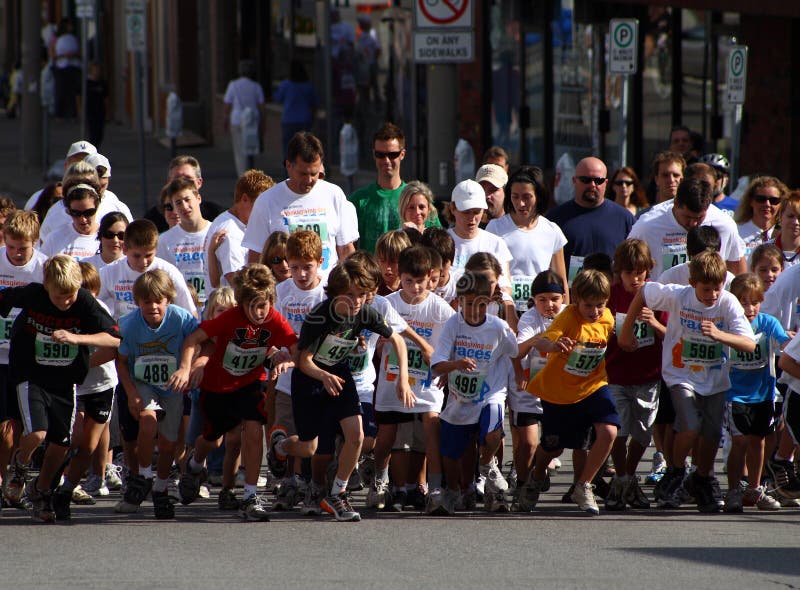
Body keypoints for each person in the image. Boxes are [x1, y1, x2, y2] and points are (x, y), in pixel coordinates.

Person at [268, 258, 413, 522]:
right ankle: (280, 447)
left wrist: (403, 378)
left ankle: (337, 493)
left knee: (356, 435)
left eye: (361, 295)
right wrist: (323, 375)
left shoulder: (365, 312)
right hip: (310, 380)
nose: (356, 301)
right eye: (349, 295)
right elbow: (304, 360)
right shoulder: (319, 316)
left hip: (340, 374)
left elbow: (397, 341)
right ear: (335, 293)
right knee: (309, 448)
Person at [619, 250, 756, 512]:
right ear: (692, 283)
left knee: (713, 433)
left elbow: (748, 343)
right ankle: (676, 471)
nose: (712, 295)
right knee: (690, 425)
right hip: (680, 374)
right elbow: (644, 293)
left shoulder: (727, 303)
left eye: (717, 288)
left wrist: (719, 335)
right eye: (706, 290)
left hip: (714, 378)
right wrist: (626, 333)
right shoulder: (678, 295)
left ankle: (702, 479)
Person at [168, 265, 297, 520]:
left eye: (266, 305)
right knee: (212, 440)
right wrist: (185, 367)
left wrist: (288, 360)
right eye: (254, 306)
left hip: (251, 383)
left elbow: (297, 348)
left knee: (253, 428)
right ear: (241, 303)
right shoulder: (229, 318)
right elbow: (194, 339)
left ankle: (250, 495)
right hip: (218, 387)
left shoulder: (274, 319)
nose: (261, 312)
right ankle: (195, 465)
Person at [2, 255, 120, 522]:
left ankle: (40, 491)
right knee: (38, 432)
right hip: (30, 375)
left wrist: (76, 338)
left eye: (71, 295)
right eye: (60, 296)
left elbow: (113, 338)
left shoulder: (84, 302)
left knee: (62, 443)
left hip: (65, 380)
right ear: (46, 285)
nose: (66, 301)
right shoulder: (33, 294)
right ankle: (19, 468)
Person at [429, 271, 518, 515]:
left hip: (490, 393)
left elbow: (516, 351)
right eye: (468, 304)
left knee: (492, 435)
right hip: (460, 396)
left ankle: (487, 464)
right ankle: (459, 490)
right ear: (459, 301)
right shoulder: (453, 324)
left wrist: (520, 376)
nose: (473, 310)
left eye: (480, 304)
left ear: (487, 303)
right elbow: (436, 363)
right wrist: (454, 365)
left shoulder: (498, 327)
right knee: (451, 451)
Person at [371, 246, 452, 514]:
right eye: (408, 281)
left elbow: (453, 339)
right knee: (387, 436)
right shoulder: (389, 303)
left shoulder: (439, 309)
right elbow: (374, 337)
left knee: (431, 427)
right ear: (399, 277)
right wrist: (378, 347)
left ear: (431, 276)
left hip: (427, 381)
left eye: (420, 281)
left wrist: (448, 368)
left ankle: (436, 487)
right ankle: (381, 481)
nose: (415, 288)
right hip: (393, 378)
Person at [115, 271, 198, 519]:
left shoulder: (181, 319)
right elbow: (120, 361)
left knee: (168, 443)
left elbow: (201, 340)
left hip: (171, 386)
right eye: (146, 302)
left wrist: (188, 367)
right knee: (148, 421)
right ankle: (143, 477)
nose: (152, 307)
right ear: (138, 302)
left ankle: (161, 489)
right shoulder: (129, 324)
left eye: (158, 301)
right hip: (142, 381)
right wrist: (131, 394)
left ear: (168, 301)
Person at [604, 240, 666, 511]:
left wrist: (654, 322)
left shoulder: (657, 296)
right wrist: (618, 338)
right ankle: (621, 477)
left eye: (640, 272)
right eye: (629, 273)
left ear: (648, 271)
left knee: (643, 433)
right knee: (618, 431)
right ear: (620, 272)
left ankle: (629, 477)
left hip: (648, 375)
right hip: (616, 374)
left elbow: (672, 334)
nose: (635, 279)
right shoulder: (611, 295)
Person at [242, 132, 358, 273]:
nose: (309, 180)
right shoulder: (267, 201)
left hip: (328, 291)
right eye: (303, 174)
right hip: (283, 292)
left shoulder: (334, 195)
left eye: (314, 173)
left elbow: (346, 249)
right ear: (288, 166)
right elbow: (255, 259)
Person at [271, 231, 327, 511]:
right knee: (286, 426)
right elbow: (270, 333)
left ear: (320, 262)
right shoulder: (281, 292)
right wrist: (276, 352)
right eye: (294, 267)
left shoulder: (327, 293)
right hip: (286, 381)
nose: (301, 274)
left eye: (308, 266)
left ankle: (307, 480)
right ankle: (289, 481)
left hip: (315, 376)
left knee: (310, 437)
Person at [723, 274, 788, 512]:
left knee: (758, 442)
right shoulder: (727, 324)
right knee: (739, 441)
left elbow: (783, 342)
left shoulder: (768, 323)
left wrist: (790, 342)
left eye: (754, 302)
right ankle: (732, 490)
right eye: (743, 302)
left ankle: (754, 488)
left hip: (763, 393)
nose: (749, 308)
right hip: (735, 393)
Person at [0, 212, 47, 507]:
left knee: (27, 428)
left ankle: (18, 474)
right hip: (1, 356)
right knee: (4, 429)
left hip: (31, 358)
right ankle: (3, 479)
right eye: (11, 246)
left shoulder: (45, 267)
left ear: (36, 243)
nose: (17, 254)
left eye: (24, 248)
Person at [628, 178, 747, 281]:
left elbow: (737, 267)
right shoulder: (647, 226)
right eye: (688, 217)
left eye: (700, 217)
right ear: (675, 204)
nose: (693, 223)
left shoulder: (724, 225)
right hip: (663, 302)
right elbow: (626, 264)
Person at [486, 166, 568, 311]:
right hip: (504, 310)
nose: (520, 203)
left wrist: (564, 316)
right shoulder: (495, 228)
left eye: (526, 197)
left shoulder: (552, 230)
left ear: (538, 196)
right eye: (515, 196)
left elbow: (561, 281)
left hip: (541, 312)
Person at [546, 157, 634, 283]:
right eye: (585, 180)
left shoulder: (624, 218)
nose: (592, 185)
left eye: (598, 180)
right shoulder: (554, 219)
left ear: (606, 183)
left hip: (613, 298)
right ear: (574, 181)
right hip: (572, 298)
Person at [348, 123, 412, 254]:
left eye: (392, 154)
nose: (386, 160)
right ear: (374, 154)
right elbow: (346, 246)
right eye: (380, 154)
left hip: (406, 273)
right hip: (370, 273)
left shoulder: (416, 198)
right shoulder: (358, 199)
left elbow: (433, 241)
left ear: (402, 154)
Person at [205, 170, 273, 290]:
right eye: (261, 205)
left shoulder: (241, 224)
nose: (265, 211)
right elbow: (239, 285)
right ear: (245, 199)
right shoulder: (228, 233)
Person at [158, 177, 211, 304]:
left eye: (187, 200)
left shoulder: (215, 232)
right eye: (178, 203)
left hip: (213, 308)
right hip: (182, 310)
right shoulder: (164, 241)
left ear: (198, 198)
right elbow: (163, 282)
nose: (184, 206)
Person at [448, 179, 512, 278]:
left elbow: (505, 287)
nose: (471, 218)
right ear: (452, 208)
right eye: (465, 211)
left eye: (476, 212)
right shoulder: (441, 242)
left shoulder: (496, 244)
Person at [658, 225, 735, 289]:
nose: (707, 263)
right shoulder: (670, 278)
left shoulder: (729, 281)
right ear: (689, 253)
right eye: (702, 260)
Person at [224, 60, 266, 176]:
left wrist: (225, 119)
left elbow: (227, 104)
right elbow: (262, 106)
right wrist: (263, 123)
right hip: (253, 120)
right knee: (251, 148)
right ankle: (251, 173)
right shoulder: (256, 86)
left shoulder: (233, 85)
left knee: (239, 151)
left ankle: (243, 176)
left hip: (237, 120)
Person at [40, 182, 102, 260]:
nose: (83, 219)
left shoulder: (109, 236)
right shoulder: (55, 238)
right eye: (76, 213)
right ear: (68, 211)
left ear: (97, 208)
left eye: (88, 212)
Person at [274, 60, 319, 159]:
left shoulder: (286, 85)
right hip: (304, 120)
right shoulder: (308, 85)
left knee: (288, 149)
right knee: (303, 150)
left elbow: (277, 98)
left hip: (288, 120)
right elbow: (315, 103)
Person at [735, 176, 787, 258]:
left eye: (774, 200)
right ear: (751, 201)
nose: (767, 204)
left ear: (781, 203)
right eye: (761, 199)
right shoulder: (736, 232)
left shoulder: (786, 234)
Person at [51, 18, 81, 119]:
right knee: (61, 90)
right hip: (61, 67)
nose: (71, 27)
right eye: (69, 25)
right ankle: (60, 113)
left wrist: (73, 55)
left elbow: (79, 52)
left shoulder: (74, 38)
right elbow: (52, 54)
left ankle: (73, 113)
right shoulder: (56, 38)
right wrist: (63, 55)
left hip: (73, 66)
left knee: (72, 91)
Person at [375, 230, 411, 295]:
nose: (388, 267)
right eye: (383, 261)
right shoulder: (373, 287)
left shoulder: (411, 285)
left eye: (393, 262)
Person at [769, 191, 800, 268]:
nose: (796, 222)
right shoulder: (763, 251)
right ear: (780, 216)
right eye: (790, 216)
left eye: (799, 218)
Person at [85, 62, 108, 149]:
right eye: (95, 70)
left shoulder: (102, 83)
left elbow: (106, 98)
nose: (97, 72)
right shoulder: (87, 83)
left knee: (99, 133)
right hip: (90, 110)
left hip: (100, 110)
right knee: (92, 132)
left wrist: (107, 111)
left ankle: (96, 148)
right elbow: (79, 96)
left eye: (99, 70)